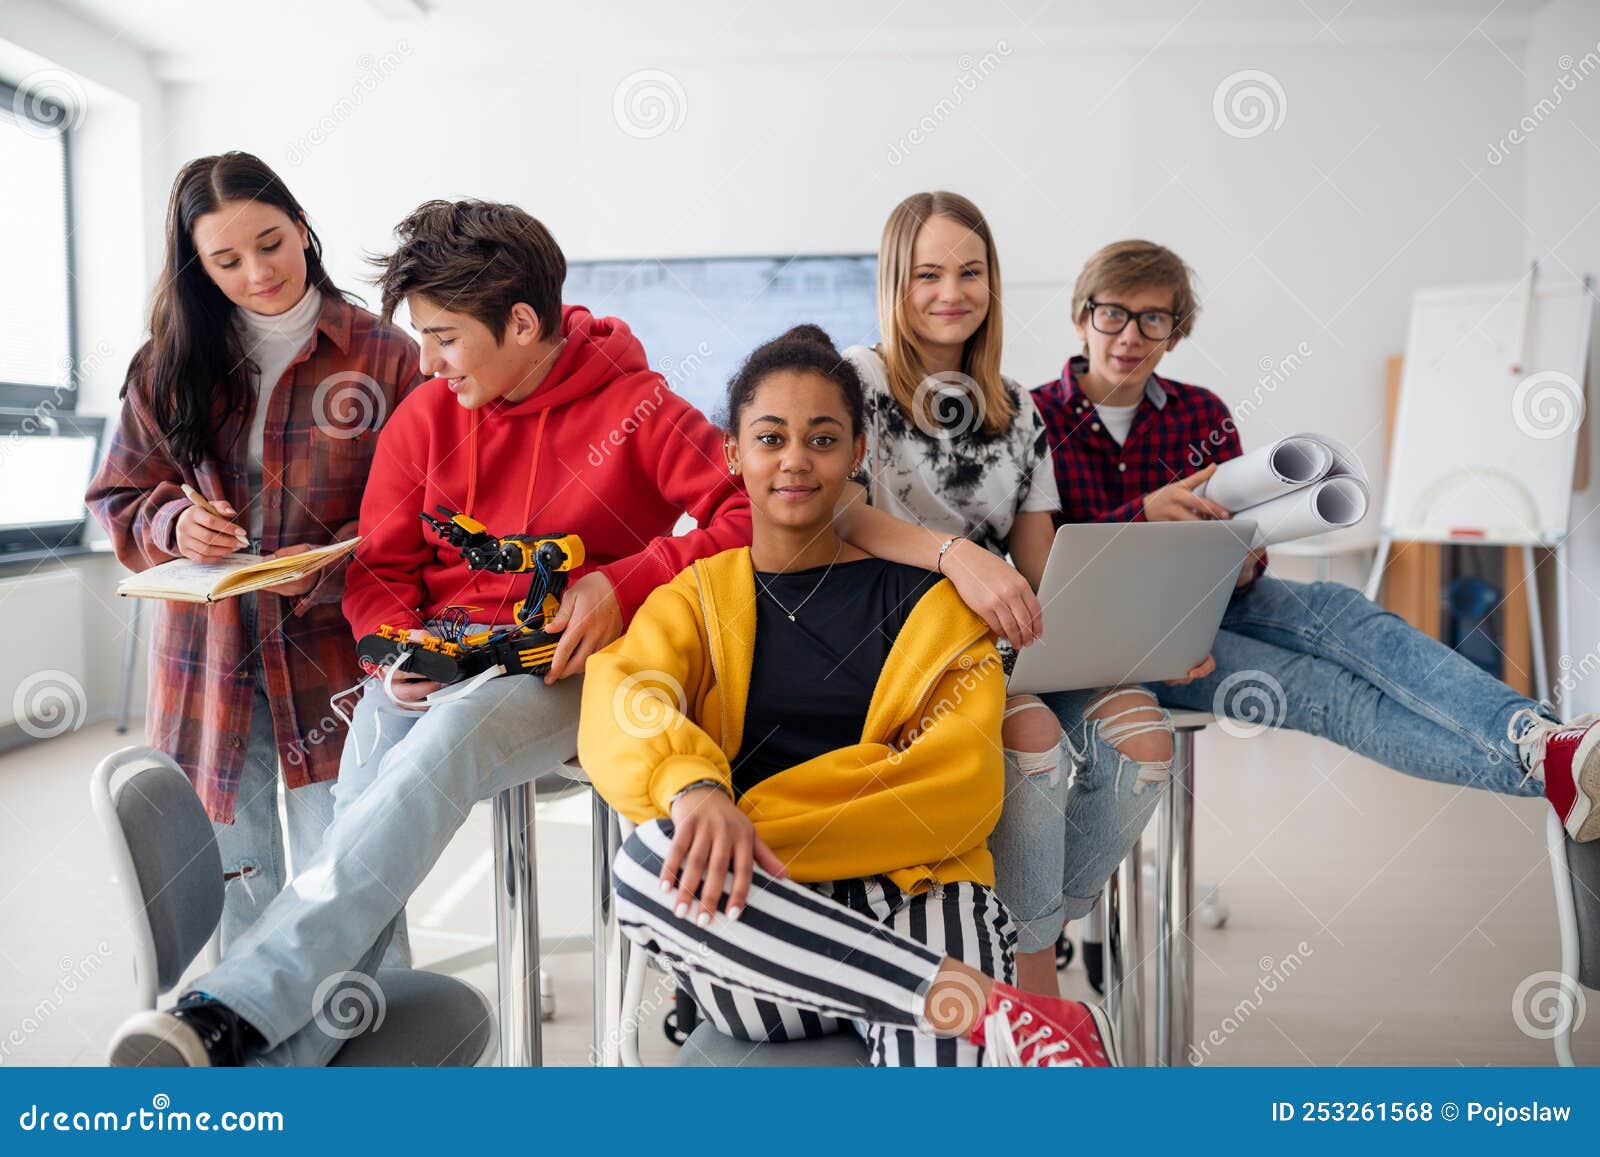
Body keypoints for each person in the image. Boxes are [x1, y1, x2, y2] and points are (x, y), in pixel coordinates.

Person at [107, 199, 751, 1067]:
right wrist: (392, 643)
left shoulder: (639, 408)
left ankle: (230, 1006)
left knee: (441, 743)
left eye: (444, 336)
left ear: (522, 323)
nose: (427, 359)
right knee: (367, 802)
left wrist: (622, 581)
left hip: (565, 672)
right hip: (435, 665)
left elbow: (748, 517)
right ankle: (271, 1060)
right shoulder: (426, 413)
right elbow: (381, 564)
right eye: (421, 334)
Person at [581, 324, 1118, 1066]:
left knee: (947, 975)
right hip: (765, 934)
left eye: (823, 439)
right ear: (734, 455)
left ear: (858, 453)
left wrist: (745, 823)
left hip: (919, 899)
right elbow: (622, 698)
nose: (795, 460)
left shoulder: (937, 610)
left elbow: (955, 792)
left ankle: (954, 1002)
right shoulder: (695, 601)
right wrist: (699, 790)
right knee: (647, 858)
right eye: (770, 439)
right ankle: (991, 1011)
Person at [1032, 238, 1600, 849]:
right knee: (1326, 693)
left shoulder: (1202, 412)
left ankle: (1539, 740)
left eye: (1154, 319)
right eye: (1112, 313)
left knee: (1343, 609)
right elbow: (1049, 562)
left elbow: (1246, 538)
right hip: (1124, 640)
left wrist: (1242, 555)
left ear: (1175, 331)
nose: (1129, 336)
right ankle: (1556, 768)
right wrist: (1141, 515)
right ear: (1080, 317)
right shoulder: (1035, 417)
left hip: (1218, 599)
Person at [832, 192, 1205, 994]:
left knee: (1145, 742)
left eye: (971, 272)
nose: (951, 292)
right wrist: (953, 554)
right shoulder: (856, 380)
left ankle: (1030, 931)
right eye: (927, 274)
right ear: (896, 282)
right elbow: (837, 513)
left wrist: (1144, 634)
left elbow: (1042, 568)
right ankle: (1038, 990)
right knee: (1032, 743)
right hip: (909, 644)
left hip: (1011, 635)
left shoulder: (1018, 409)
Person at [85, 152, 423, 951]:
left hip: (338, 663)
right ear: (198, 267)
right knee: (235, 895)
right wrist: (174, 524)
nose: (257, 272)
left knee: (353, 886)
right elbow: (118, 498)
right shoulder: (167, 362)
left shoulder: (389, 357)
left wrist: (334, 563)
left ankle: (382, 1070)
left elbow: (425, 511)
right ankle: (255, 1065)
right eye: (226, 259)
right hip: (210, 667)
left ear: (303, 228)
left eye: (270, 243)